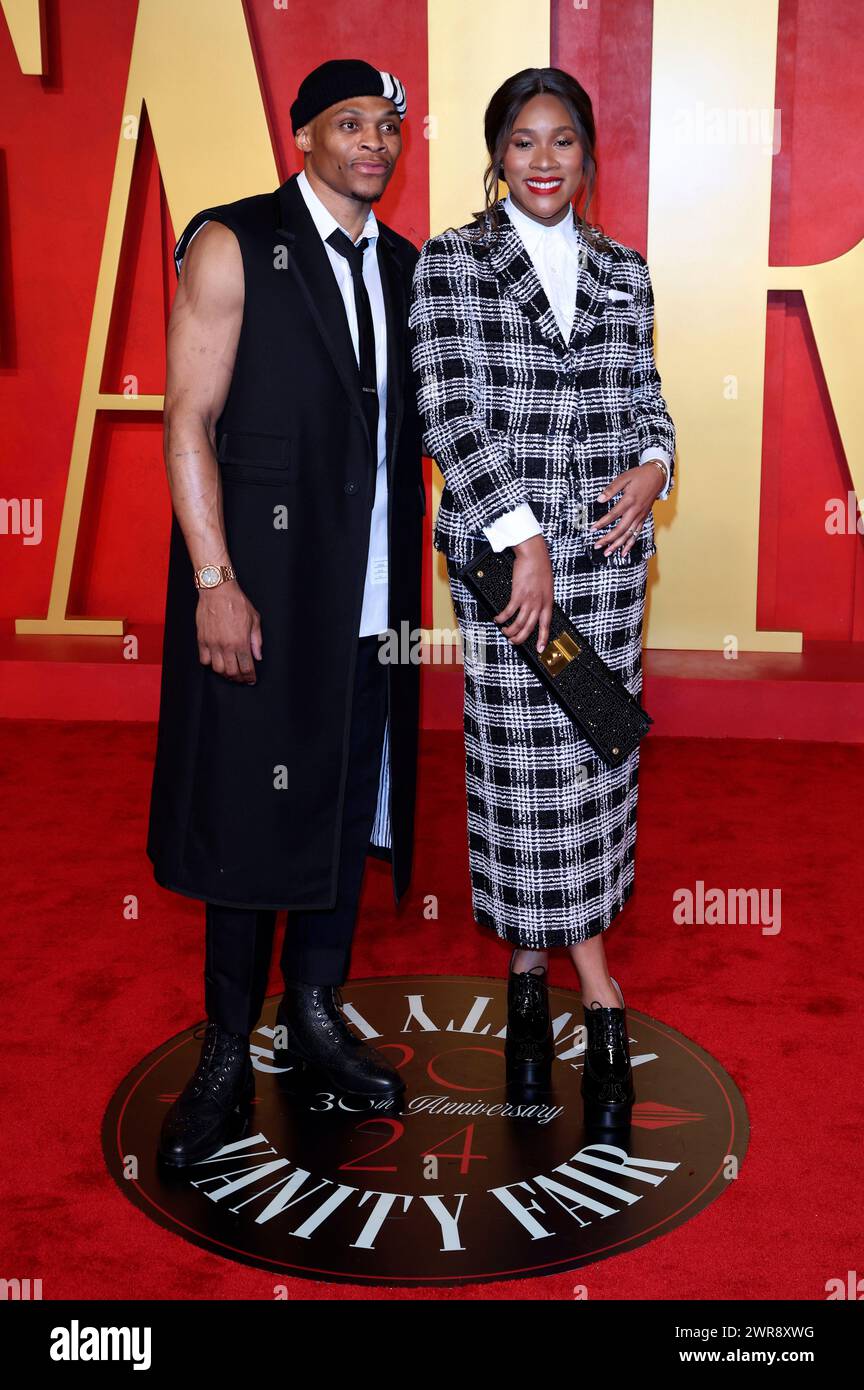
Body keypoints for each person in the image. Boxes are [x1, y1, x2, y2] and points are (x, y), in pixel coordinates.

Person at [147, 59, 424, 1167]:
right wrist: (215, 579)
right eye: (350, 123)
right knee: (243, 814)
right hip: (257, 594)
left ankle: (312, 1013)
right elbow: (187, 418)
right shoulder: (233, 240)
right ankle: (226, 1046)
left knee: (342, 800)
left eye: (388, 126)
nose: (375, 141)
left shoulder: (404, 268)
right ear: (302, 135)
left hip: (367, 605)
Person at [408, 67, 676, 1127]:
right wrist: (521, 541)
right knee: (525, 778)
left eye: (563, 141)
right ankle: (595, 994)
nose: (545, 161)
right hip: (505, 566)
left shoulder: (624, 268)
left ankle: (530, 986)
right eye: (524, 142)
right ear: (495, 153)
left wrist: (656, 464)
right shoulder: (452, 262)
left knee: (597, 768)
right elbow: (446, 410)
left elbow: (646, 397)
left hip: (606, 564)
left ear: (588, 153)